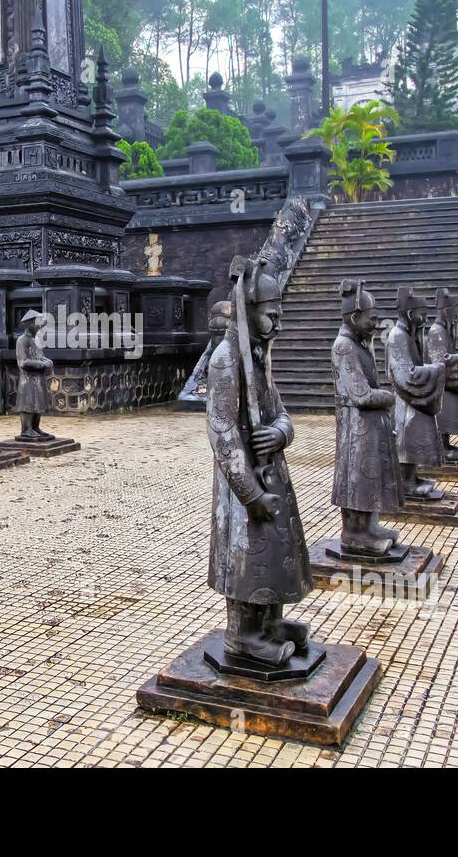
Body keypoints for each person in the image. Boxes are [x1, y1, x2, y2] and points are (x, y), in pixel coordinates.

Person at [206, 255, 309, 667]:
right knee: (247, 556)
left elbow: (281, 411)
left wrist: (280, 432)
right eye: (271, 315)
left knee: (274, 551)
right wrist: (250, 494)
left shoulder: (259, 358)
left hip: (272, 470)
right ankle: (243, 636)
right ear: (249, 312)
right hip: (242, 484)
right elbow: (222, 433)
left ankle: (270, 623)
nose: (278, 324)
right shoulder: (226, 359)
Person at [330, 280, 403, 556]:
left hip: (369, 425)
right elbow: (361, 395)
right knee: (357, 478)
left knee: (368, 478)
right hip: (356, 426)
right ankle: (354, 534)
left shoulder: (359, 343)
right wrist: (388, 396)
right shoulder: (344, 347)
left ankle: (369, 528)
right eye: (370, 318)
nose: (375, 323)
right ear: (353, 317)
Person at [387, 287, 447, 501]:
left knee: (414, 440)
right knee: (406, 440)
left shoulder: (411, 333)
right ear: (411, 314)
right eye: (422, 314)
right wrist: (437, 369)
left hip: (415, 398)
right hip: (406, 399)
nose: (425, 319)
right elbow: (404, 375)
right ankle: (405, 483)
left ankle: (412, 477)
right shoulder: (397, 336)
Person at [424, 289, 458, 463]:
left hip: (445, 383)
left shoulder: (445, 330)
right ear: (447, 311)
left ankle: (445, 445)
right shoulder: (437, 331)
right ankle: (440, 447)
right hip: (438, 385)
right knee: (446, 406)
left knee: (452, 403)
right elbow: (440, 361)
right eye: (456, 309)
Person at [14, 310, 55, 441]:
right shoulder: (22, 340)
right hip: (28, 379)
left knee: (38, 404)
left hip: (38, 378)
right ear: (29, 324)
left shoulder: (36, 340)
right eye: (37, 323)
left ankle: (35, 427)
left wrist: (46, 361)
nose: (40, 326)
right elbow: (23, 362)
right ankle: (26, 429)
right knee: (28, 403)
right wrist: (41, 364)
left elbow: (40, 356)